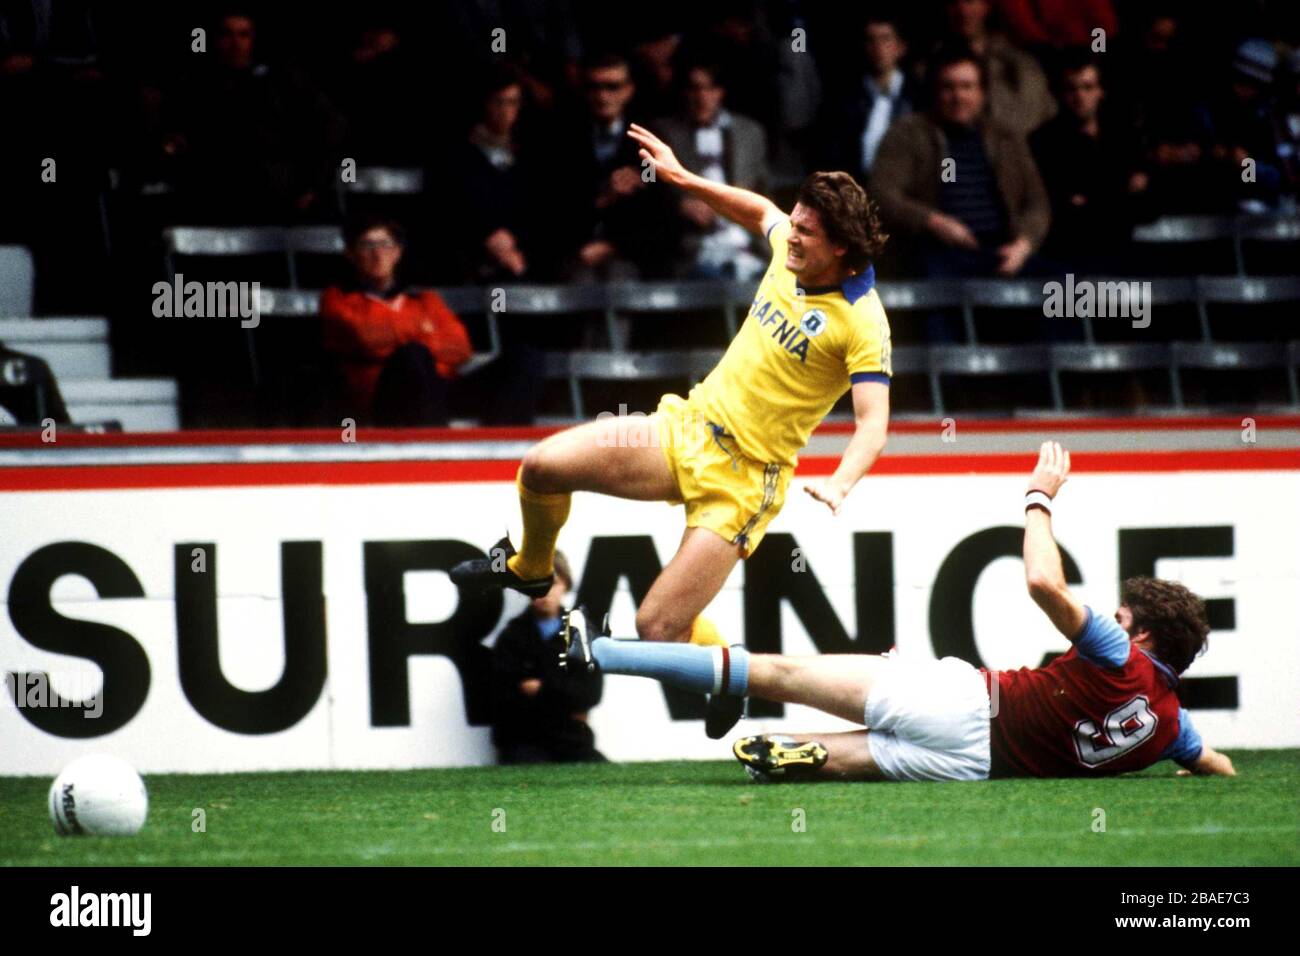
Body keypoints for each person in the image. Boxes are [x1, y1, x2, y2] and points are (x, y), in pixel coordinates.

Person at [451, 127, 893, 741]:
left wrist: (842, 481)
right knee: (542, 467)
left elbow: (873, 423)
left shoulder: (862, 322)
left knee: (658, 626)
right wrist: (683, 178)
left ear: (841, 249)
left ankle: (726, 676)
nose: (790, 234)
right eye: (795, 222)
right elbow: (759, 210)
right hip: (687, 428)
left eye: (806, 232)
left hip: (743, 481)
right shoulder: (787, 249)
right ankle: (530, 565)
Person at [560, 442, 1235, 784]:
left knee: (776, 672)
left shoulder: (1118, 654)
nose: (1113, 621)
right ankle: (808, 756)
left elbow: (1041, 582)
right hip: (979, 769)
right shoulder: (1171, 727)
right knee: (856, 758)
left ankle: (605, 652)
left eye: (1123, 615)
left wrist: (1038, 498)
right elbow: (1218, 766)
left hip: (971, 704)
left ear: (1141, 633)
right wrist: (1184, 768)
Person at [320, 218, 472, 426]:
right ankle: (435, 451)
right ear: (351, 253)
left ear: (397, 253)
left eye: (385, 244)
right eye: (367, 245)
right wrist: (422, 331)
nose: (378, 254)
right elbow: (364, 337)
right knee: (414, 355)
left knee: (524, 362)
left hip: (440, 388)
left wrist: (398, 336)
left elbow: (461, 347)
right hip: (381, 396)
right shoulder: (337, 298)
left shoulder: (424, 298)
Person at [656, 59, 771, 280]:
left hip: (749, 244)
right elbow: (648, 185)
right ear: (684, 92)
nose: (702, 97)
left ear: (721, 91)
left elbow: (763, 191)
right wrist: (679, 204)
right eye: (695, 88)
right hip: (695, 248)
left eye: (710, 88)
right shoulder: (664, 132)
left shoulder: (750, 132)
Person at [491, 551, 604, 764]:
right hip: (523, 742)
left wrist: (541, 689)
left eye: (551, 584)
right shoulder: (512, 637)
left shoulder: (580, 635)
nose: (543, 593)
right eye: (535, 586)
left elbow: (590, 694)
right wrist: (565, 701)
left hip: (572, 741)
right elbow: (503, 699)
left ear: (565, 585)